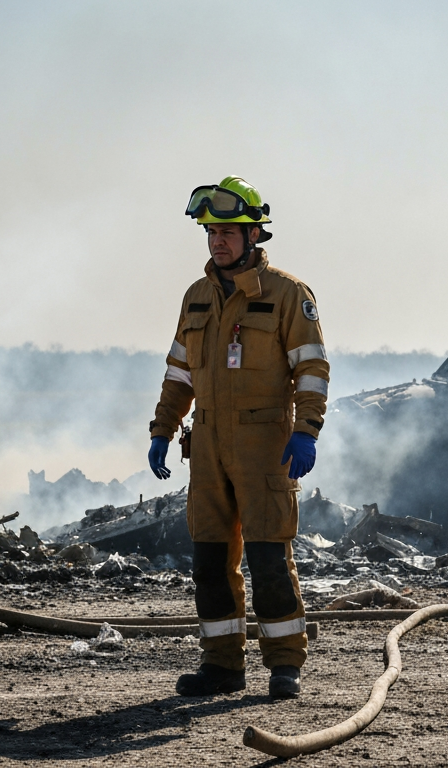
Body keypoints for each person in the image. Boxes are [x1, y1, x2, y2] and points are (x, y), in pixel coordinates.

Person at [147, 176, 329, 699]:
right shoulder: (197, 297)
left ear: (254, 236)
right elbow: (180, 372)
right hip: (205, 448)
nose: (218, 241)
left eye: (228, 231)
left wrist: (306, 431)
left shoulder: (288, 295)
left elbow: (312, 370)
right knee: (209, 562)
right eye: (211, 233)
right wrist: (163, 428)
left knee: (270, 559)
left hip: (265, 447)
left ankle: (284, 666)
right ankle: (223, 667)